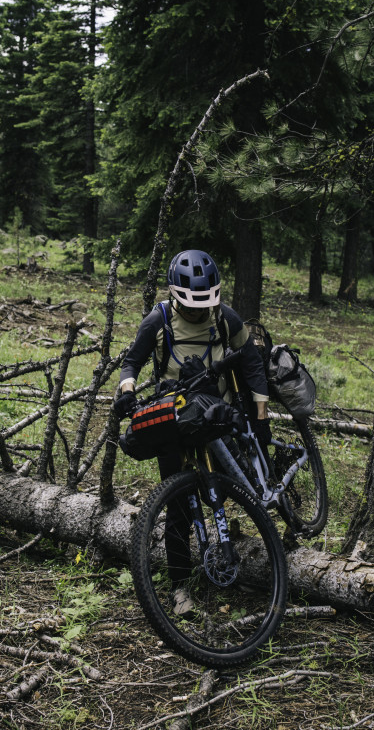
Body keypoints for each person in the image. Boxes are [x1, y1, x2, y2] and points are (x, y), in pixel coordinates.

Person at [114, 249, 271, 614]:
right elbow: (131, 362)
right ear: (174, 295)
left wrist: (261, 414)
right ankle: (180, 587)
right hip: (176, 419)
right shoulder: (159, 319)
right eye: (192, 306)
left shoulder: (225, 318)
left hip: (220, 416)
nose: (200, 312)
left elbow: (249, 359)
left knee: (238, 484)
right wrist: (127, 390)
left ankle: (256, 541)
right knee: (179, 508)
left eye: (205, 305)